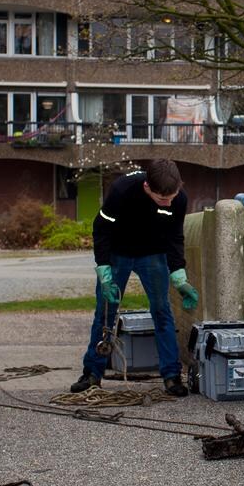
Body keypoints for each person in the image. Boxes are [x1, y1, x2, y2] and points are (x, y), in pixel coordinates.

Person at [69, 160, 198, 397]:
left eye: (172, 197)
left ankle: (171, 376)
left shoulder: (178, 199)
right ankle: (92, 374)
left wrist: (179, 276)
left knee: (162, 311)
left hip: (153, 254)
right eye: (162, 199)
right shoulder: (122, 190)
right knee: (105, 313)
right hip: (118, 253)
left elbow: (174, 237)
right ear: (147, 187)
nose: (168, 203)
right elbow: (101, 228)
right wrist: (104, 270)